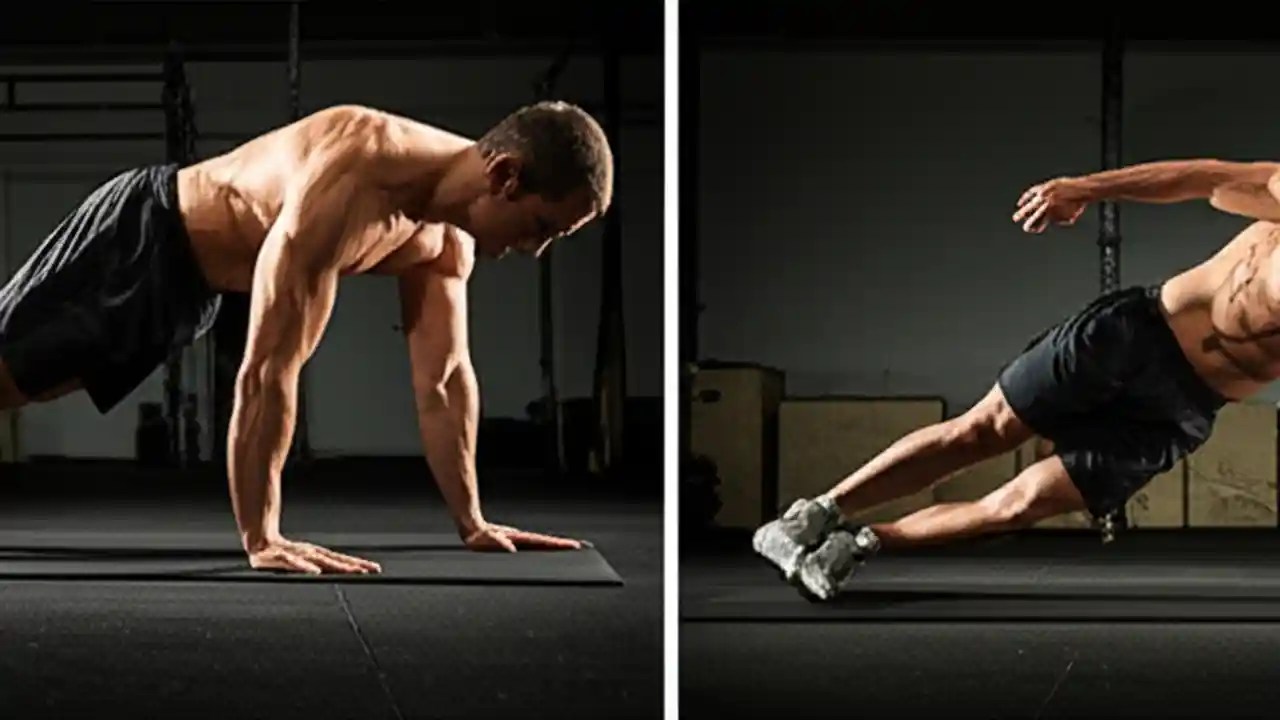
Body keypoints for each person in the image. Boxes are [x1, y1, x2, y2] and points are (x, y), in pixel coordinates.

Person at [0, 100, 613, 575]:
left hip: (192, 287)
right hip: (141, 232)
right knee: (9, 381)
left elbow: (445, 379)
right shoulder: (351, 178)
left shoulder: (445, 243)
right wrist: (262, 537)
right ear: (505, 176)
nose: (535, 250)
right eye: (541, 226)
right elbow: (268, 369)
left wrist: (472, 521)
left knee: (37, 385)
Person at [754, 157, 1280, 600]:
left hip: (1184, 407)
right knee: (982, 432)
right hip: (1139, 337)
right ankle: (813, 516)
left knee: (1020, 505)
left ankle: (860, 543)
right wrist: (1083, 189)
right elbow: (1204, 178)